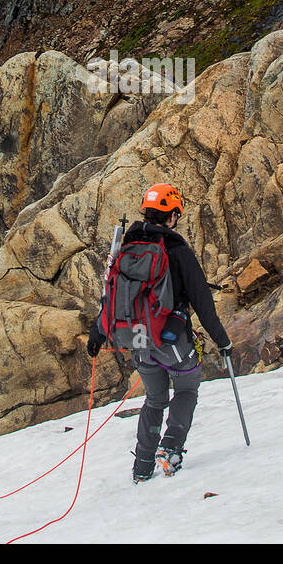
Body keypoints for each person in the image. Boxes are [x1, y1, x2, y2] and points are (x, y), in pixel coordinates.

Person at [88, 183, 232, 483]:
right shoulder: (176, 249)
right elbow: (202, 302)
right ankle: (171, 449)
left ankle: (142, 466)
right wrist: (223, 341)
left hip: (139, 340)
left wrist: (98, 332)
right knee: (187, 389)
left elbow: (112, 295)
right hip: (171, 338)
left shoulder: (126, 248)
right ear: (173, 215)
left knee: (154, 400)